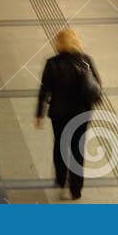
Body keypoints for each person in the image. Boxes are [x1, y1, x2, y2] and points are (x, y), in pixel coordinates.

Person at [34, 27, 103, 200]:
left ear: (59, 43)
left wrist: (39, 114)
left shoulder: (52, 63)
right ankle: (76, 189)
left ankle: (61, 180)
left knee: (60, 146)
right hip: (82, 113)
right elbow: (97, 84)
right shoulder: (86, 61)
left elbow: (44, 91)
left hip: (59, 113)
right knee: (77, 149)